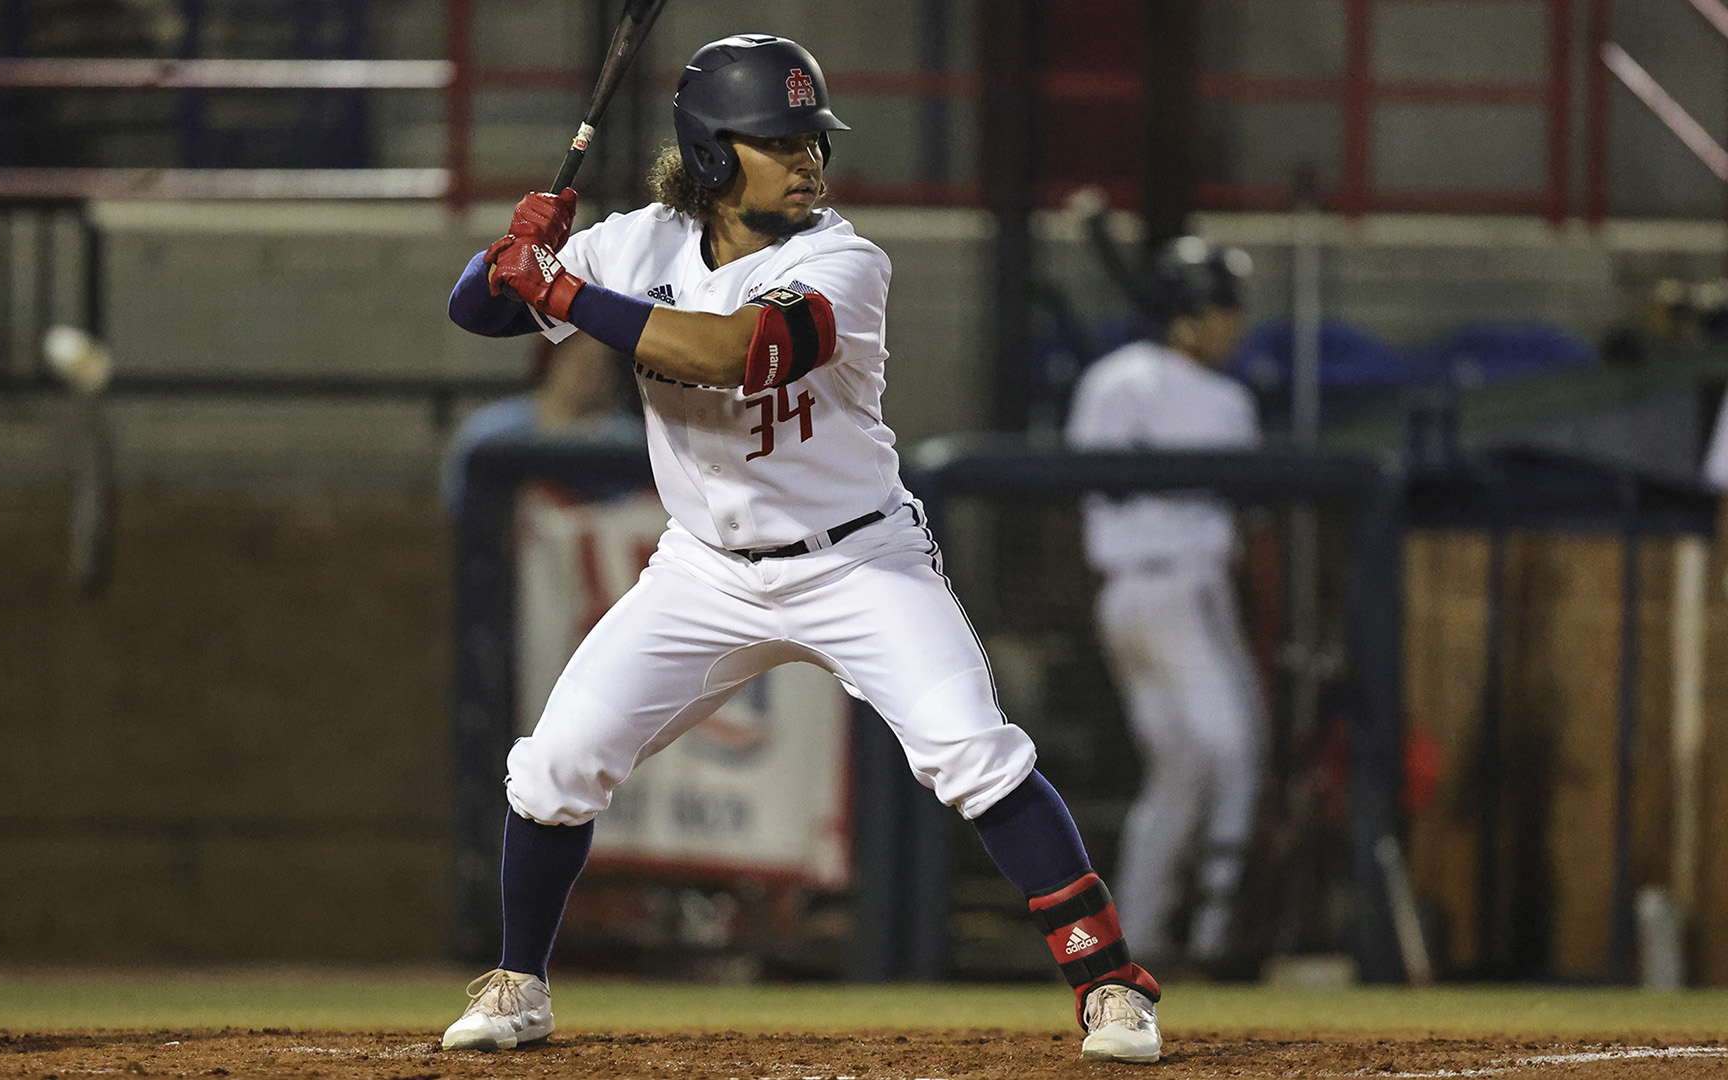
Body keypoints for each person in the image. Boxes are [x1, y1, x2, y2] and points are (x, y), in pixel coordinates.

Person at [442, 33, 1161, 1064]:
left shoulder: (843, 260)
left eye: (811, 138)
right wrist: (511, 254)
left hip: (858, 561)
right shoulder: (638, 244)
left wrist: (556, 288)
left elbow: (734, 354)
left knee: (972, 752)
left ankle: (1111, 984)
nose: (808, 158)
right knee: (554, 766)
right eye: (777, 142)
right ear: (710, 155)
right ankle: (520, 983)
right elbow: (475, 314)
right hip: (703, 571)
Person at [1062, 236, 1266, 974]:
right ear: (1190, 312)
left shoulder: (1199, 394)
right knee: (1235, 751)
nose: (1233, 324)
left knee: (1180, 772)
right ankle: (1215, 936)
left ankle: (1140, 932)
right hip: (1166, 592)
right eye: (1223, 309)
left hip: (1159, 593)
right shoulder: (1144, 385)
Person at [438, 332, 644, 517]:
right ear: (550, 360)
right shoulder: (491, 432)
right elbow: (459, 505)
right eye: (582, 362)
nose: (593, 374)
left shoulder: (630, 439)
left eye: (604, 365)